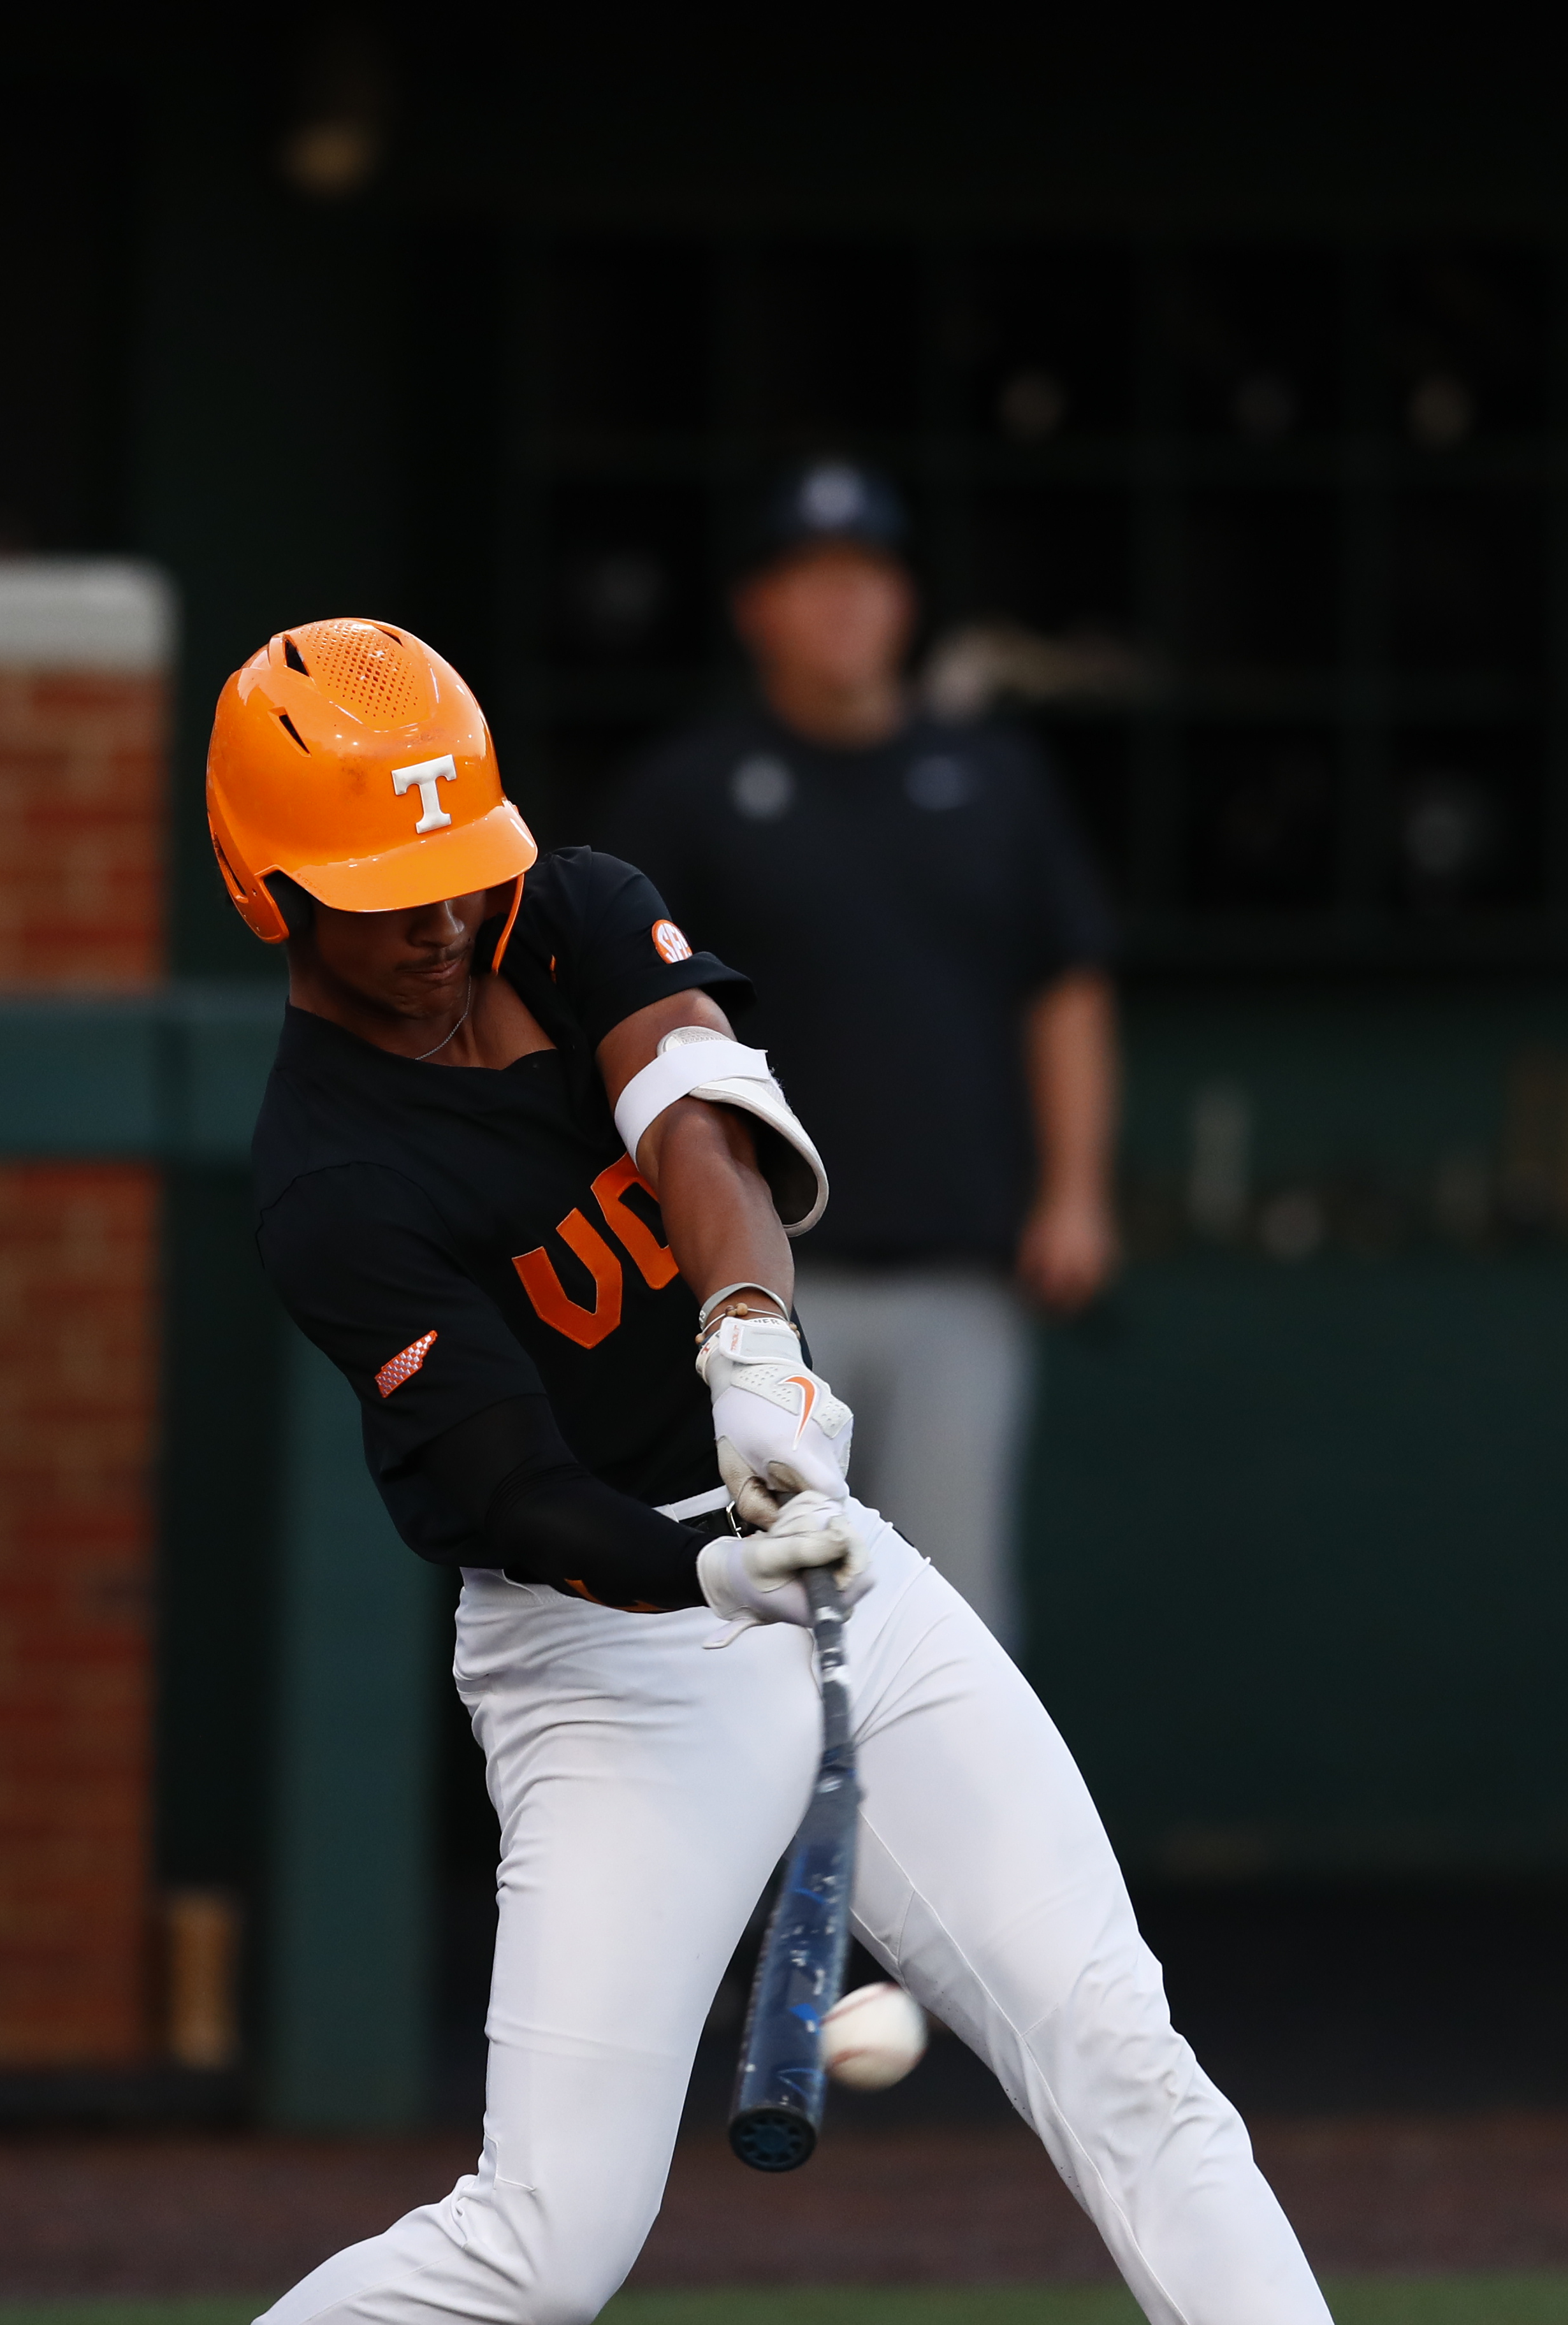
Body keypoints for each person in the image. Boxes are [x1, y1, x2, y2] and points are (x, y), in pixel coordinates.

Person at [221, 619, 1323, 2325]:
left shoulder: (563, 904)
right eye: (385, 889)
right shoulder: (327, 1181)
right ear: (268, 889)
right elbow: (518, 1490)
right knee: (548, 2245)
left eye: (451, 868)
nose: (441, 921)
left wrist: (751, 1345)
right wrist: (705, 1577)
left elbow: (691, 1109)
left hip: (828, 1555)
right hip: (602, 1654)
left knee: (1121, 2047)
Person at [599, 459, 1118, 1651]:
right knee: (759, 1613)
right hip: (759, 1283)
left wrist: (1077, 1193)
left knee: (952, 1618)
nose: (844, 606)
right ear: (757, 609)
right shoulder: (692, 792)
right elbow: (624, 1018)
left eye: (868, 578)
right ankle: (777, 1852)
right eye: (812, 578)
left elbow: (1066, 987)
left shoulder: (991, 778)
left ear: (906, 603)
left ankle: (943, 1850)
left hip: (958, 1269)